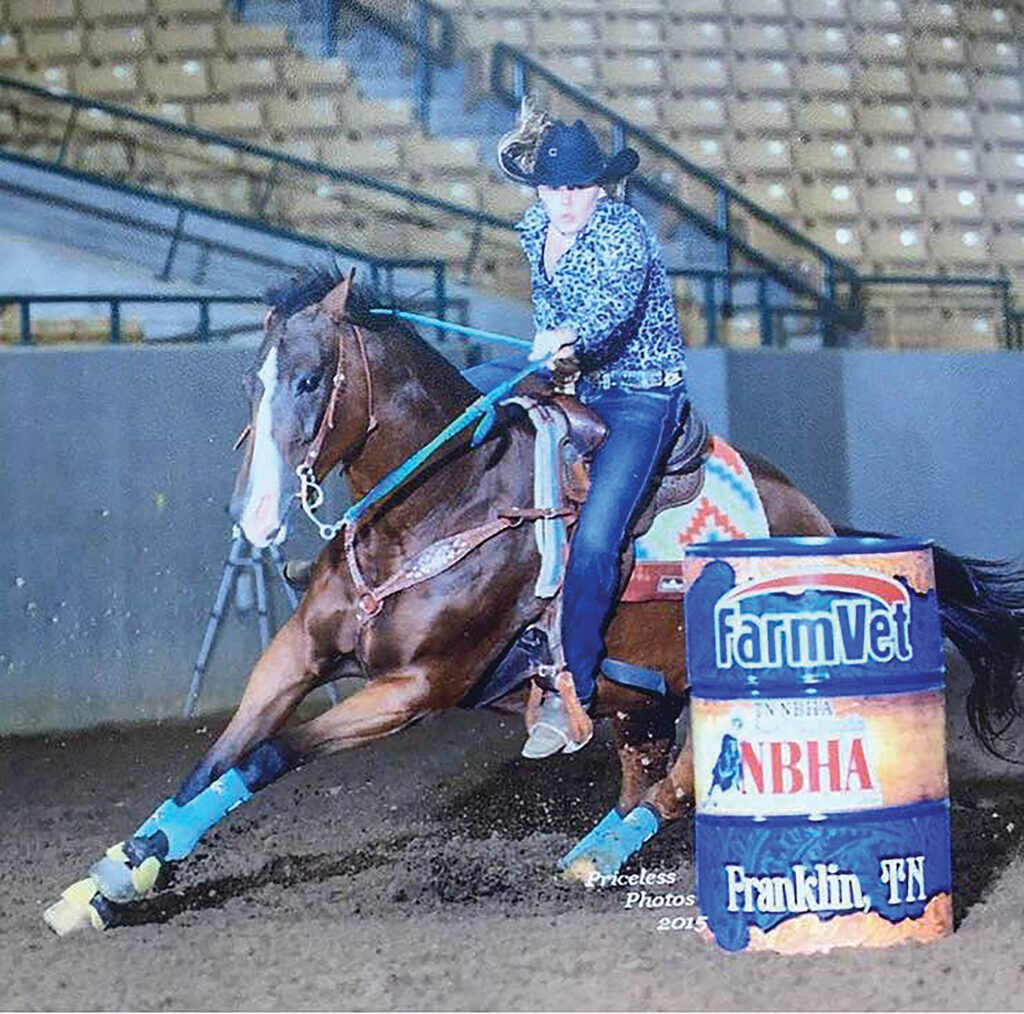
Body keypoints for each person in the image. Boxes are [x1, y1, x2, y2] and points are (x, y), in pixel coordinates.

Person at [497, 101, 689, 759]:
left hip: (640, 398)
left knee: (599, 536)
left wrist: (560, 342)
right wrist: (545, 350)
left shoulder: (623, 231)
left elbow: (606, 314)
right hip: (578, 386)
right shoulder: (535, 229)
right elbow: (550, 311)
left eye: (578, 187)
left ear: (601, 187)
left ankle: (573, 688)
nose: (566, 201)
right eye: (554, 187)